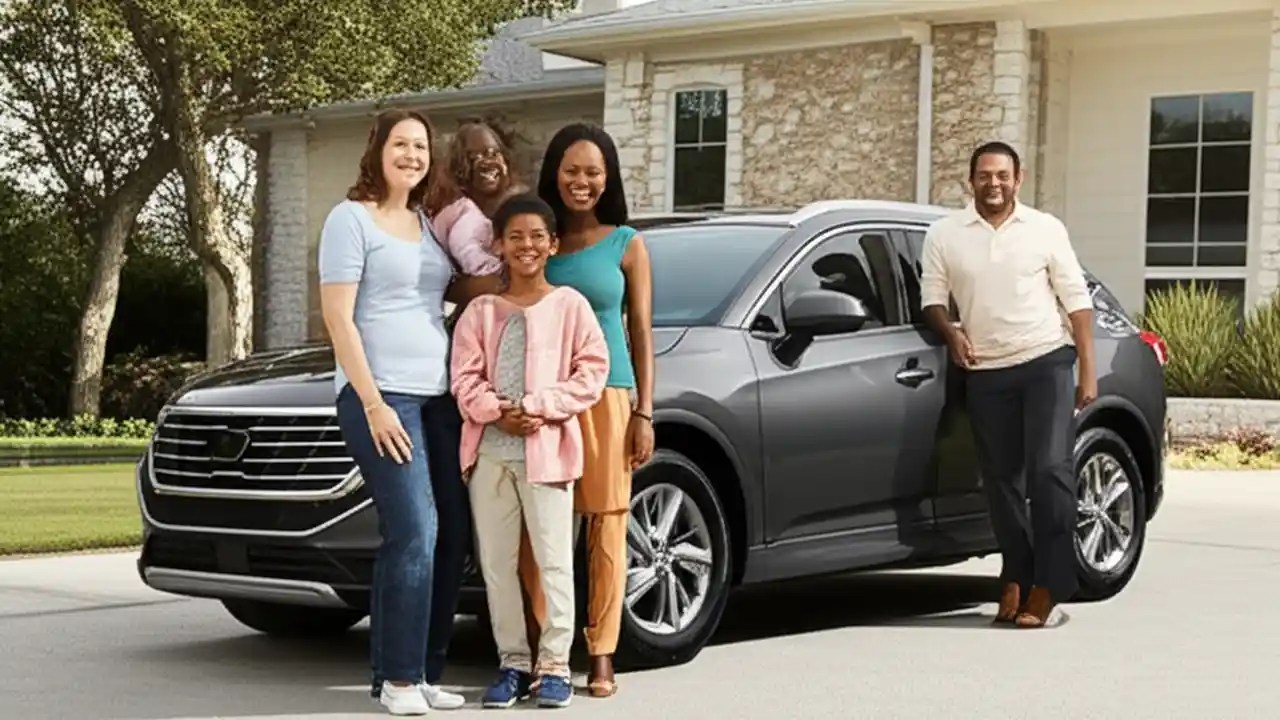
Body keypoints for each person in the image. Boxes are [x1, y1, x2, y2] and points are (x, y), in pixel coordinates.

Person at [317, 108, 468, 715]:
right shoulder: (349, 219)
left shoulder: (427, 223)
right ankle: (399, 680)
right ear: (377, 150)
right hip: (383, 397)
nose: (412, 155)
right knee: (413, 530)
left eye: (422, 146)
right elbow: (338, 317)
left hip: (439, 397)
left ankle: (417, 673)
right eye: (401, 144)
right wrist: (375, 403)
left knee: (450, 533)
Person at [919, 140, 1097, 629]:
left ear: (1017, 180)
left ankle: (1050, 584)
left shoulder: (1045, 229)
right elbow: (932, 297)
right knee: (1000, 484)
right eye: (984, 175)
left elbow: (1077, 302)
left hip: (1045, 361)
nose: (993, 183)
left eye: (1002, 175)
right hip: (986, 372)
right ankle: (1015, 575)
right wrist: (948, 331)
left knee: (1049, 473)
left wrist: (1087, 370)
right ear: (970, 179)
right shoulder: (945, 234)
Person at [451, 192, 610, 709]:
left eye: (537, 236)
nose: (526, 245)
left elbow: (592, 373)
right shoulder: (479, 312)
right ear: (498, 244)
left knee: (553, 560)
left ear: (553, 244)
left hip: (548, 454)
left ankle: (556, 665)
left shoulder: (570, 307)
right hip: (491, 457)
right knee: (497, 564)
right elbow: (462, 379)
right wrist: (498, 409)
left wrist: (538, 406)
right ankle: (513, 663)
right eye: (515, 236)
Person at [520, 122, 656, 697]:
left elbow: (641, 330)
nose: (582, 182)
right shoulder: (536, 241)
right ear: (554, 172)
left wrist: (646, 411)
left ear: (609, 178)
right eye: (571, 170)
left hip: (608, 395)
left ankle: (601, 652)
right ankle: (542, 648)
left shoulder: (626, 242)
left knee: (605, 524)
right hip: (542, 400)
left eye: (593, 172)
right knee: (538, 529)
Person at [426, 120, 527, 279]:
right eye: (474, 158)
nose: (486, 162)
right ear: (460, 169)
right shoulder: (464, 213)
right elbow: (470, 255)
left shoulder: (516, 205)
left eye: (493, 153)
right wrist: (504, 272)